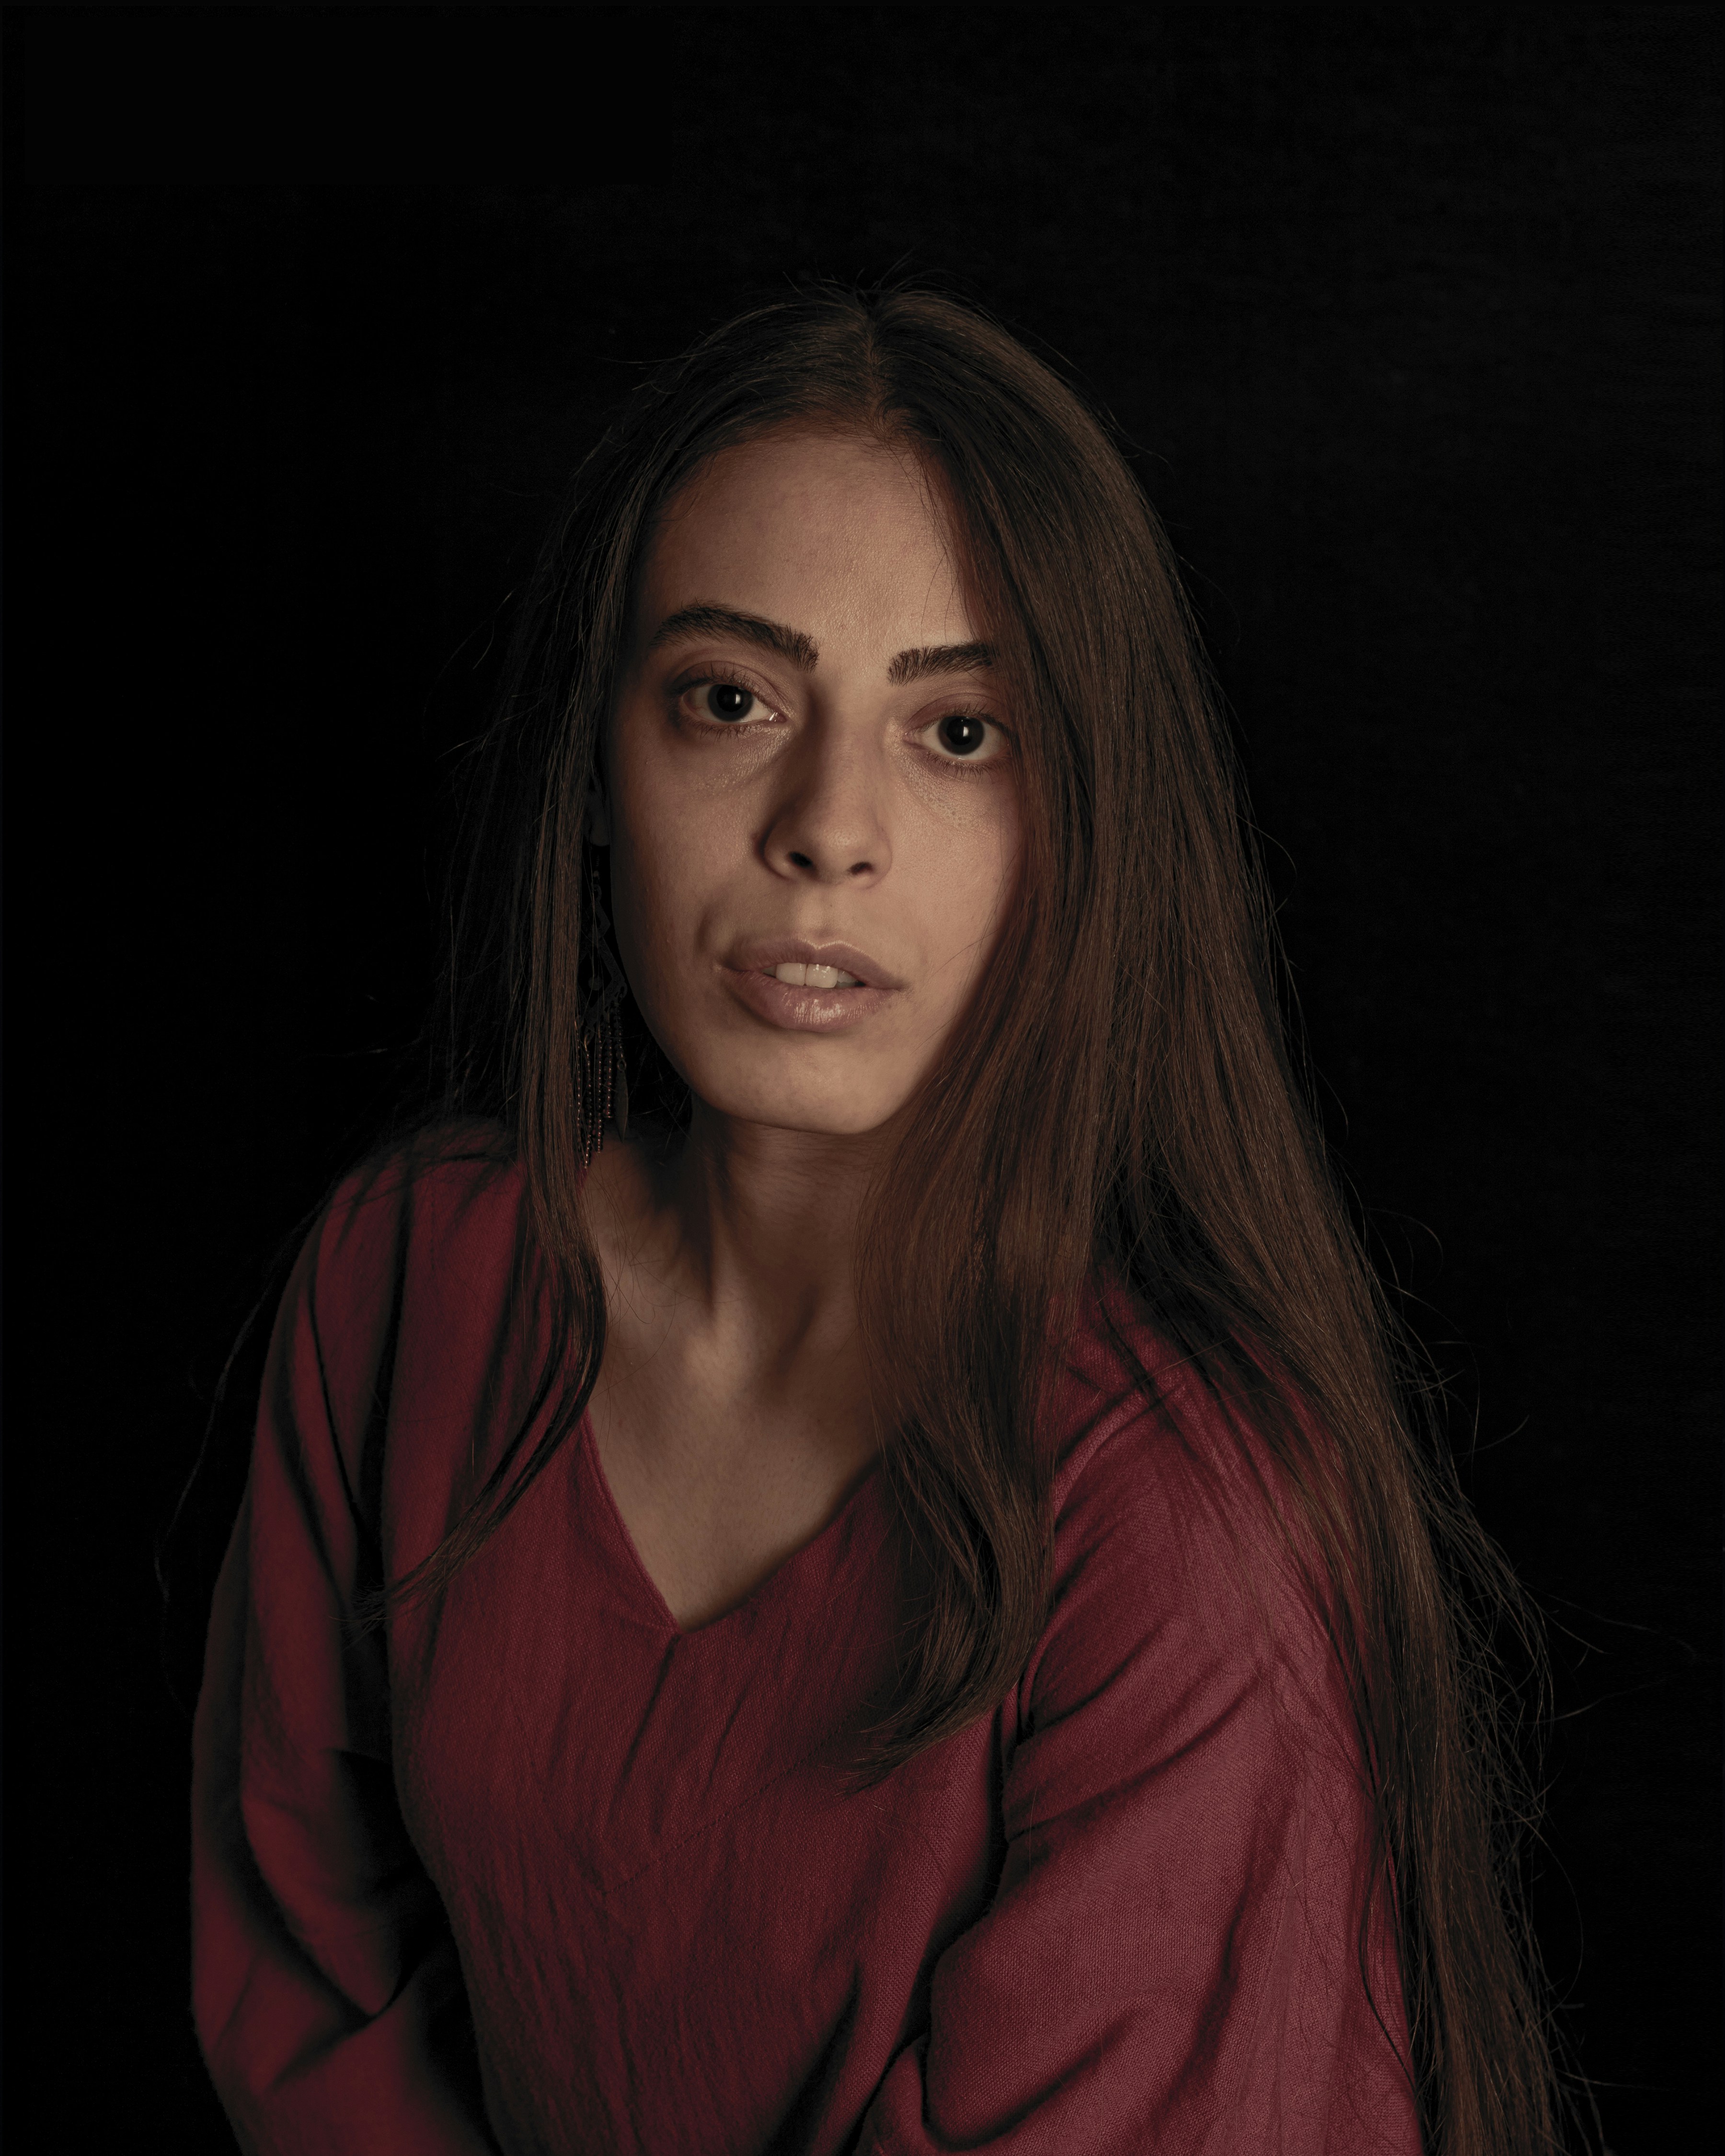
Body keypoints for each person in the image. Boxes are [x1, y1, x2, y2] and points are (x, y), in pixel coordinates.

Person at [190, 284, 1564, 2154]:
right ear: (603, 772)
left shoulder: (1181, 1514)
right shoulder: (409, 1278)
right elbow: (306, 1985)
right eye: (732, 700)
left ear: (1082, 828)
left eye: (962, 731)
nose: (828, 827)